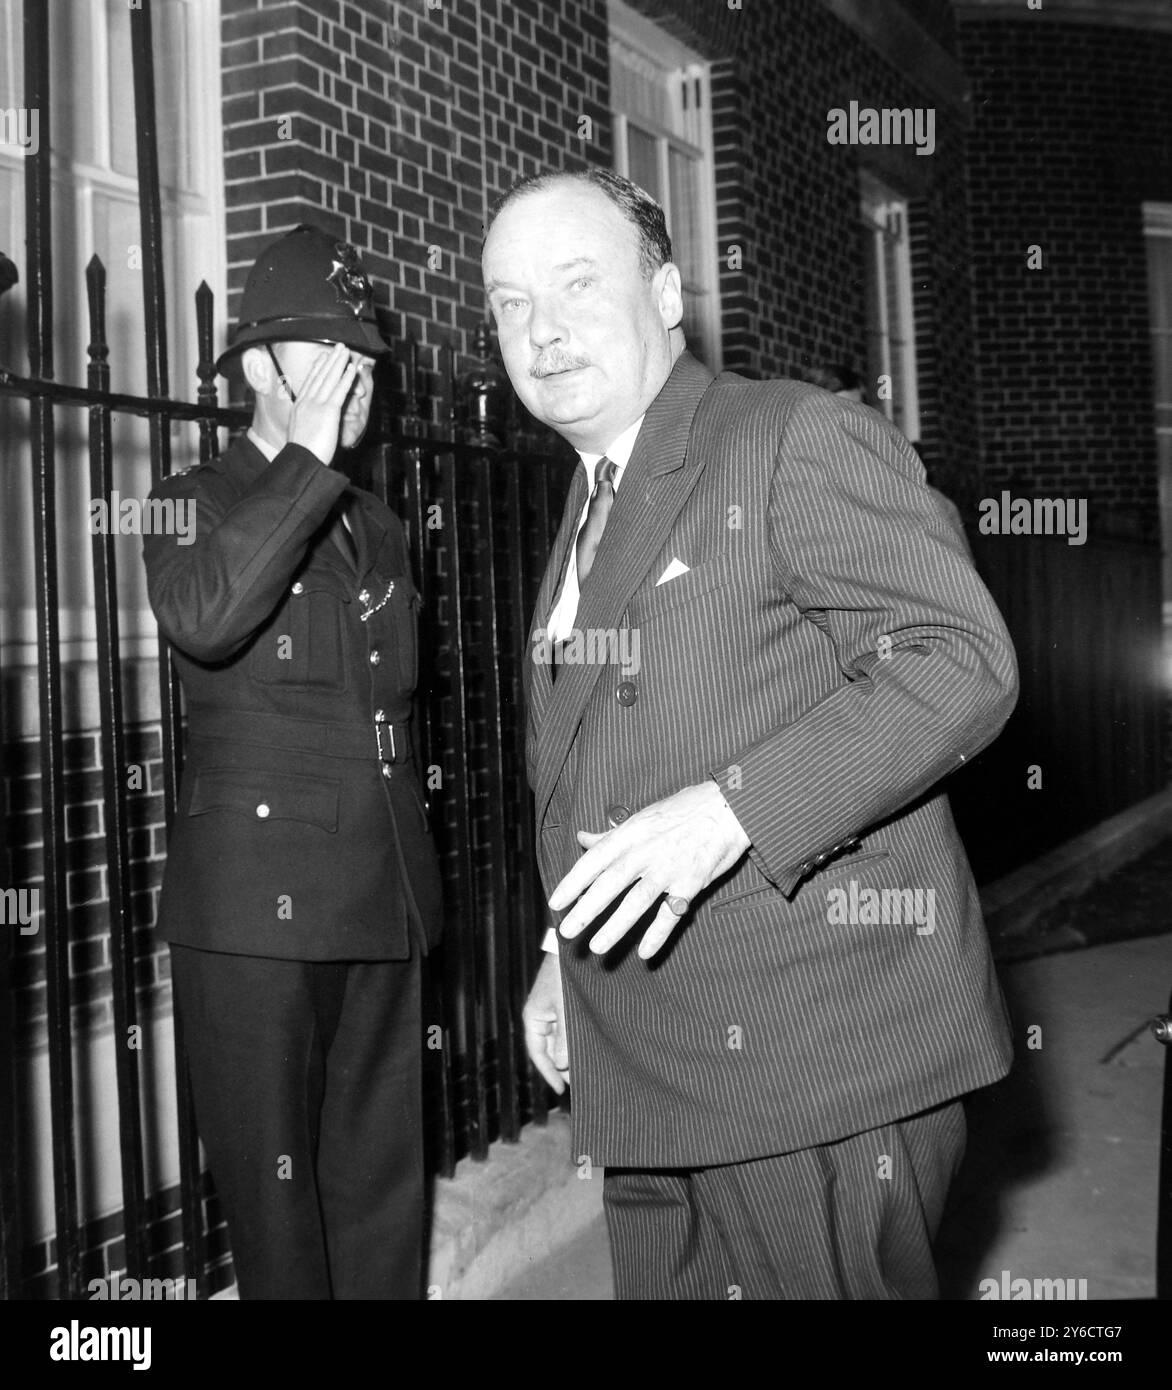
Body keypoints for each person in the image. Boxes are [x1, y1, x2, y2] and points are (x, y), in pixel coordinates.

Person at [482, 169, 1016, 1300]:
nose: (542, 328)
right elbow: (599, 759)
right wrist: (559, 957)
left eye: (577, 283)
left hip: (811, 1067)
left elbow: (958, 661)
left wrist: (732, 810)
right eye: (509, 301)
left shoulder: (788, 436)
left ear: (666, 293)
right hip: (646, 1064)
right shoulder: (592, 496)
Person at [143, 224, 442, 1299]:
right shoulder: (192, 496)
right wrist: (306, 459)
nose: (357, 385)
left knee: (379, 1203)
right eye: (331, 358)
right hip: (252, 913)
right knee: (280, 1224)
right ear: (261, 368)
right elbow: (208, 615)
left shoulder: (382, 525)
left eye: (367, 366)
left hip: (379, 896)